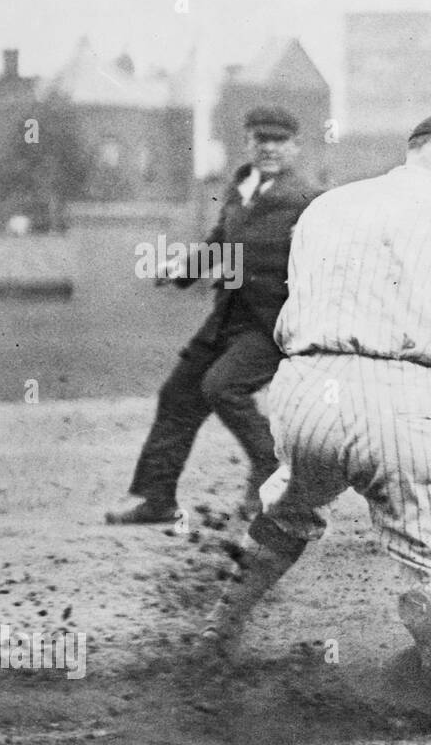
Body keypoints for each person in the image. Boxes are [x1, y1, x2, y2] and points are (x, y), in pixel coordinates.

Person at [198, 113, 431, 658]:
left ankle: (218, 631)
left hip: (302, 395)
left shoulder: (326, 206)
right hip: (403, 401)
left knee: (287, 511)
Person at [106, 107, 320, 525]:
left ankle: (273, 468)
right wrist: (182, 270)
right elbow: (221, 241)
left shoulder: (310, 199)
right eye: (261, 139)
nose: (269, 148)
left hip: (273, 324)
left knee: (223, 386)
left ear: (295, 146)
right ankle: (157, 499)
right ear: (248, 143)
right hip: (229, 316)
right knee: (178, 395)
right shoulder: (241, 188)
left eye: (279, 141)